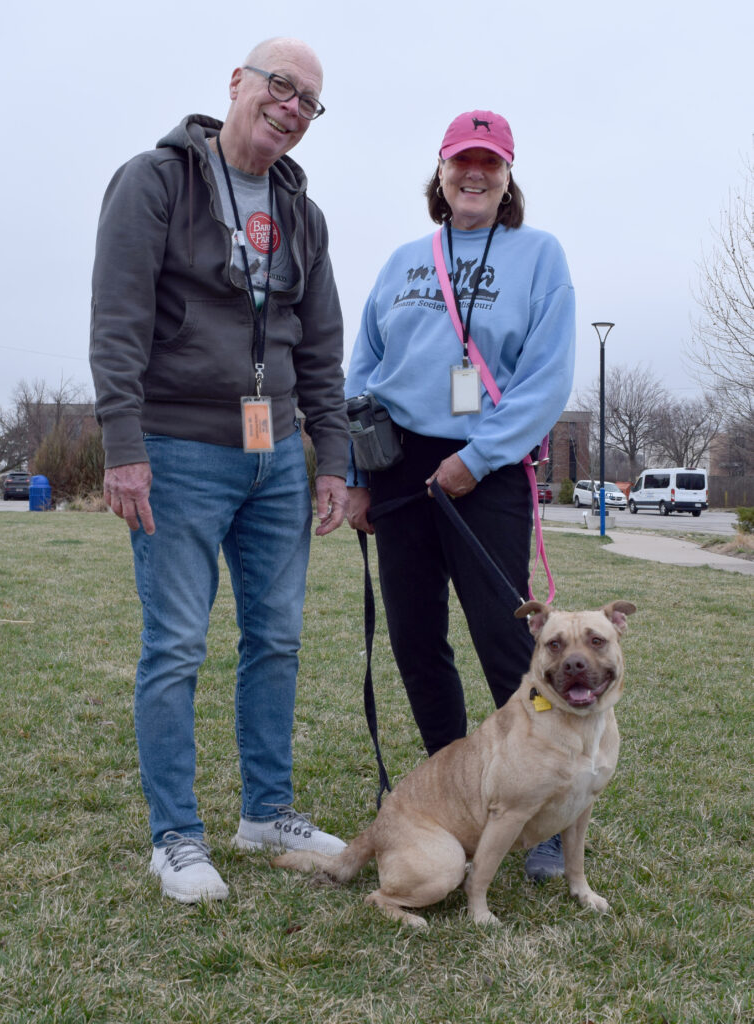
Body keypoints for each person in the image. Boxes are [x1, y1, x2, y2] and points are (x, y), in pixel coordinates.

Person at [90, 38, 350, 904]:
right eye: (281, 86)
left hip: (274, 456)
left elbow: (320, 349)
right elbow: (117, 320)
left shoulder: (301, 214)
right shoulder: (155, 181)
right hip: (174, 449)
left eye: (309, 101)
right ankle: (175, 836)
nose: (292, 106)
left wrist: (331, 459)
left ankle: (266, 811)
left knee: (276, 638)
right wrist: (123, 448)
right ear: (236, 83)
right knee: (175, 646)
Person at [344, 110, 575, 881]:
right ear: (438, 175)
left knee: (509, 641)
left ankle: (544, 814)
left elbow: (545, 378)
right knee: (415, 639)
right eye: (459, 162)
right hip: (399, 463)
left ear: (507, 178)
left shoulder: (538, 256)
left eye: (489, 163)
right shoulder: (405, 258)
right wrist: (356, 473)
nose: (472, 175)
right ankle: (456, 796)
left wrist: (479, 457)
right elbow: (361, 368)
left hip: (488, 466)